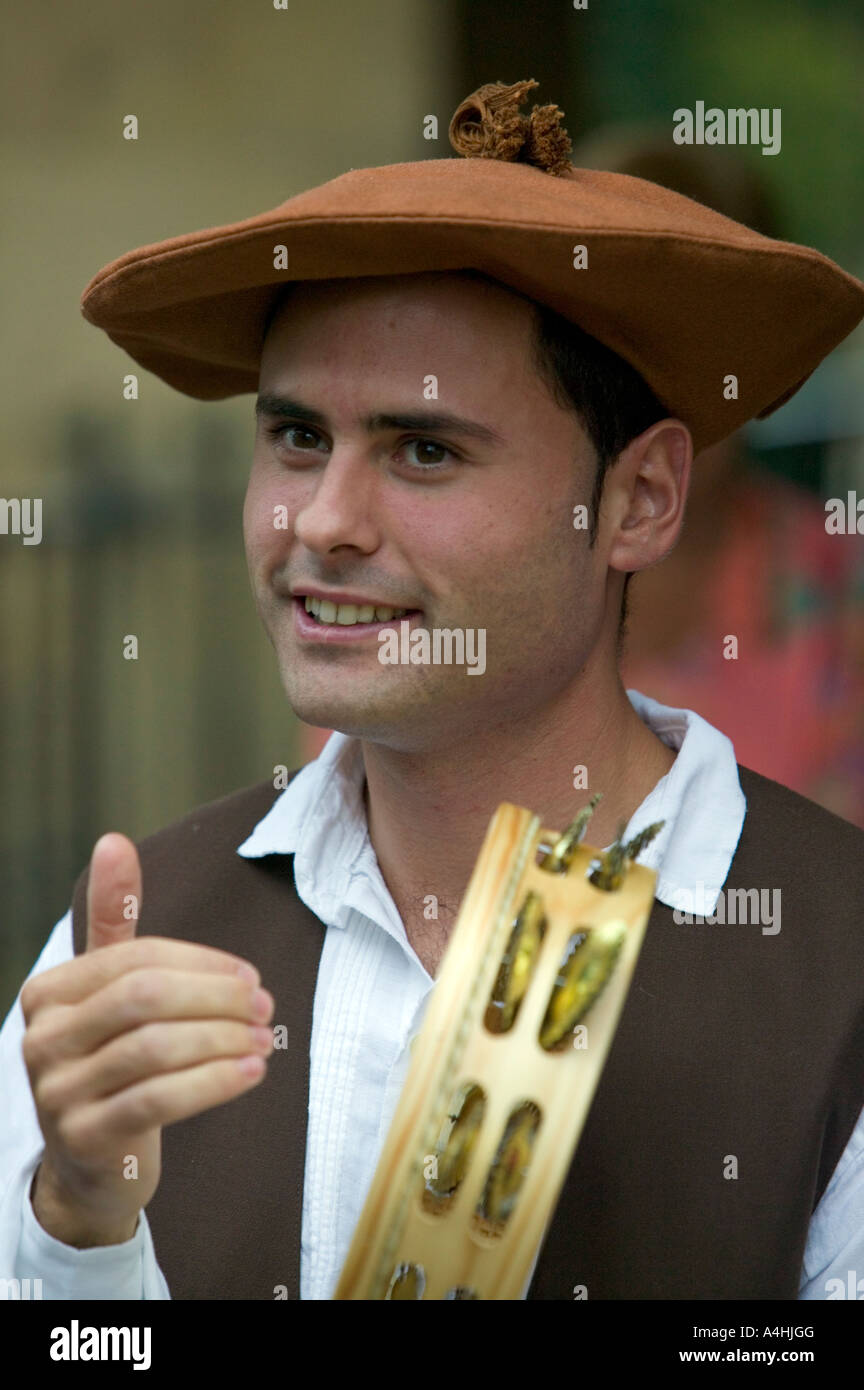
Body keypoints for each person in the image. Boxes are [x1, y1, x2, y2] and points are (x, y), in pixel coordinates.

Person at [2, 79, 863, 1301]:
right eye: (297, 437)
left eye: (424, 449)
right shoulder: (129, 943)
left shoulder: (835, 964)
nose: (326, 522)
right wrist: (79, 1224)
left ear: (640, 500)